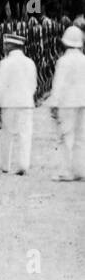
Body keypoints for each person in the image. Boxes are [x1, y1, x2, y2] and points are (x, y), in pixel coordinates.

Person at [0, 32, 37, 175]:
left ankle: (5, 165)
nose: (4, 47)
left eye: (6, 44)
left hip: (9, 103)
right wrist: (27, 96)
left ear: (11, 46)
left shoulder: (5, 63)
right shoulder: (30, 63)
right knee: (25, 134)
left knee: (7, 133)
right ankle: (23, 165)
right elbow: (33, 84)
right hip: (25, 102)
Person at [47, 24, 85, 182]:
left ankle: (65, 171)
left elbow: (58, 84)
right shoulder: (84, 60)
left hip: (66, 104)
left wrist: (54, 104)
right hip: (83, 102)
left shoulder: (63, 61)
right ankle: (80, 170)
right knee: (81, 138)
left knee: (65, 137)